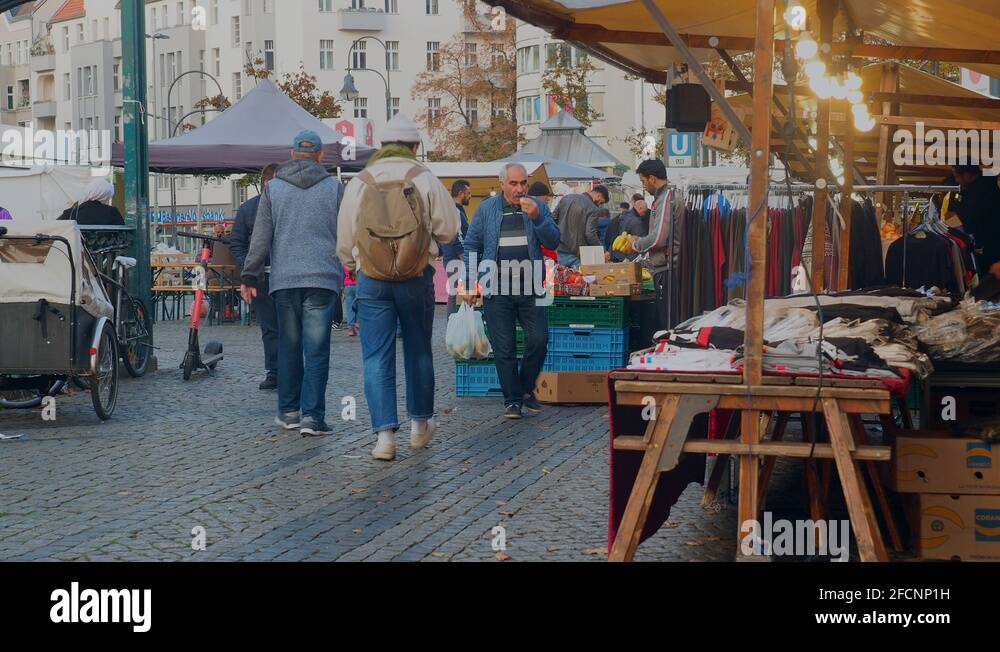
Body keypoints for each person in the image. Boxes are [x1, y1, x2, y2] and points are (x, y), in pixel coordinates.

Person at [337, 114, 459, 462]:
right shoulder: (424, 177)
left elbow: (345, 237)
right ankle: (420, 425)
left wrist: (352, 265)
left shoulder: (360, 180)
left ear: (382, 145)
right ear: (414, 147)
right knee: (419, 350)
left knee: (376, 356)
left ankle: (384, 437)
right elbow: (449, 230)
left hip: (372, 279)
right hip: (415, 276)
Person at [240, 130, 344, 437]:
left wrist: (249, 275)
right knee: (317, 350)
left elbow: (260, 238)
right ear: (321, 156)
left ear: (291, 153)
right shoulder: (334, 188)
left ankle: (288, 412)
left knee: (289, 345)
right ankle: (313, 417)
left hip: (283, 280)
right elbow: (346, 234)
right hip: (322, 279)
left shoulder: (273, 189)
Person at [464, 163, 560, 420]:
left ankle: (526, 388)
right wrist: (471, 279)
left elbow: (553, 240)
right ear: (503, 184)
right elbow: (472, 244)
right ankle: (512, 400)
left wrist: (537, 218)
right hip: (497, 289)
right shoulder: (487, 209)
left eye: (523, 184)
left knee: (539, 340)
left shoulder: (537, 208)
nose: (520, 189)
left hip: (531, 288)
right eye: (514, 184)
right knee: (504, 347)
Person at [230, 163, 280, 390]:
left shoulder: (286, 206)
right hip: (262, 277)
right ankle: (274, 372)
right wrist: (249, 267)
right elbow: (237, 243)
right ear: (265, 185)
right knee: (269, 328)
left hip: (286, 276)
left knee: (290, 328)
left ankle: (289, 370)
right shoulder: (248, 209)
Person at [624, 160, 678, 329]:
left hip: (668, 268)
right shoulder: (664, 197)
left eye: (643, 181)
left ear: (652, 178)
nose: (644, 186)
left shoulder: (666, 198)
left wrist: (636, 244)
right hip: (665, 267)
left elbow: (658, 237)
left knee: (667, 321)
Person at [952, 165, 1000, 274]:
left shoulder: (978, 193)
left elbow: (971, 222)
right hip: (990, 245)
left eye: (957, 176)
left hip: (987, 248)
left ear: (967, 174)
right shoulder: (988, 186)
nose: (957, 180)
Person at [553, 185, 609, 268]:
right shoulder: (593, 209)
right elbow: (590, 234)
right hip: (576, 253)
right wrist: (602, 250)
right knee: (579, 278)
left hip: (559, 249)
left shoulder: (566, 198)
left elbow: (553, 219)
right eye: (601, 202)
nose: (600, 205)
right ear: (598, 196)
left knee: (559, 278)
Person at [441, 179, 472, 314]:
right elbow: (457, 236)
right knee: (456, 293)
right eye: (468, 193)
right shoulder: (455, 210)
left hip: (453, 258)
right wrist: (464, 258)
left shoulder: (455, 210)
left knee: (455, 293)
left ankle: (454, 326)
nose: (470, 196)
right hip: (456, 260)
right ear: (461, 193)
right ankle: (453, 326)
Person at [58, 179, 125, 225]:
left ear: (88, 190)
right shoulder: (112, 212)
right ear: (106, 195)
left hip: (76, 246)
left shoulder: (70, 212)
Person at [529, 182, 559, 263]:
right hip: (541, 255)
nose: (548, 199)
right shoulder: (542, 208)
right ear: (539, 195)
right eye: (546, 196)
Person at [342, 265, 359, 336]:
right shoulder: (357, 261)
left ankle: (350, 329)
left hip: (348, 286)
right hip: (358, 285)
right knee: (359, 305)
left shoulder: (346, 262)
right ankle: (358, 323)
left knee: (349, 308)